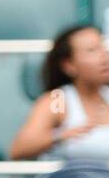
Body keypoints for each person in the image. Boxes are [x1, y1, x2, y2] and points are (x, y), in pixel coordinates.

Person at [10, 24, 109, 161]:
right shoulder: (57, 100)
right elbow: (19, 149)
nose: (104, 58)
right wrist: (59, 136)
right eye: (92, 51)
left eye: (103, 48)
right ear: (68, 65)